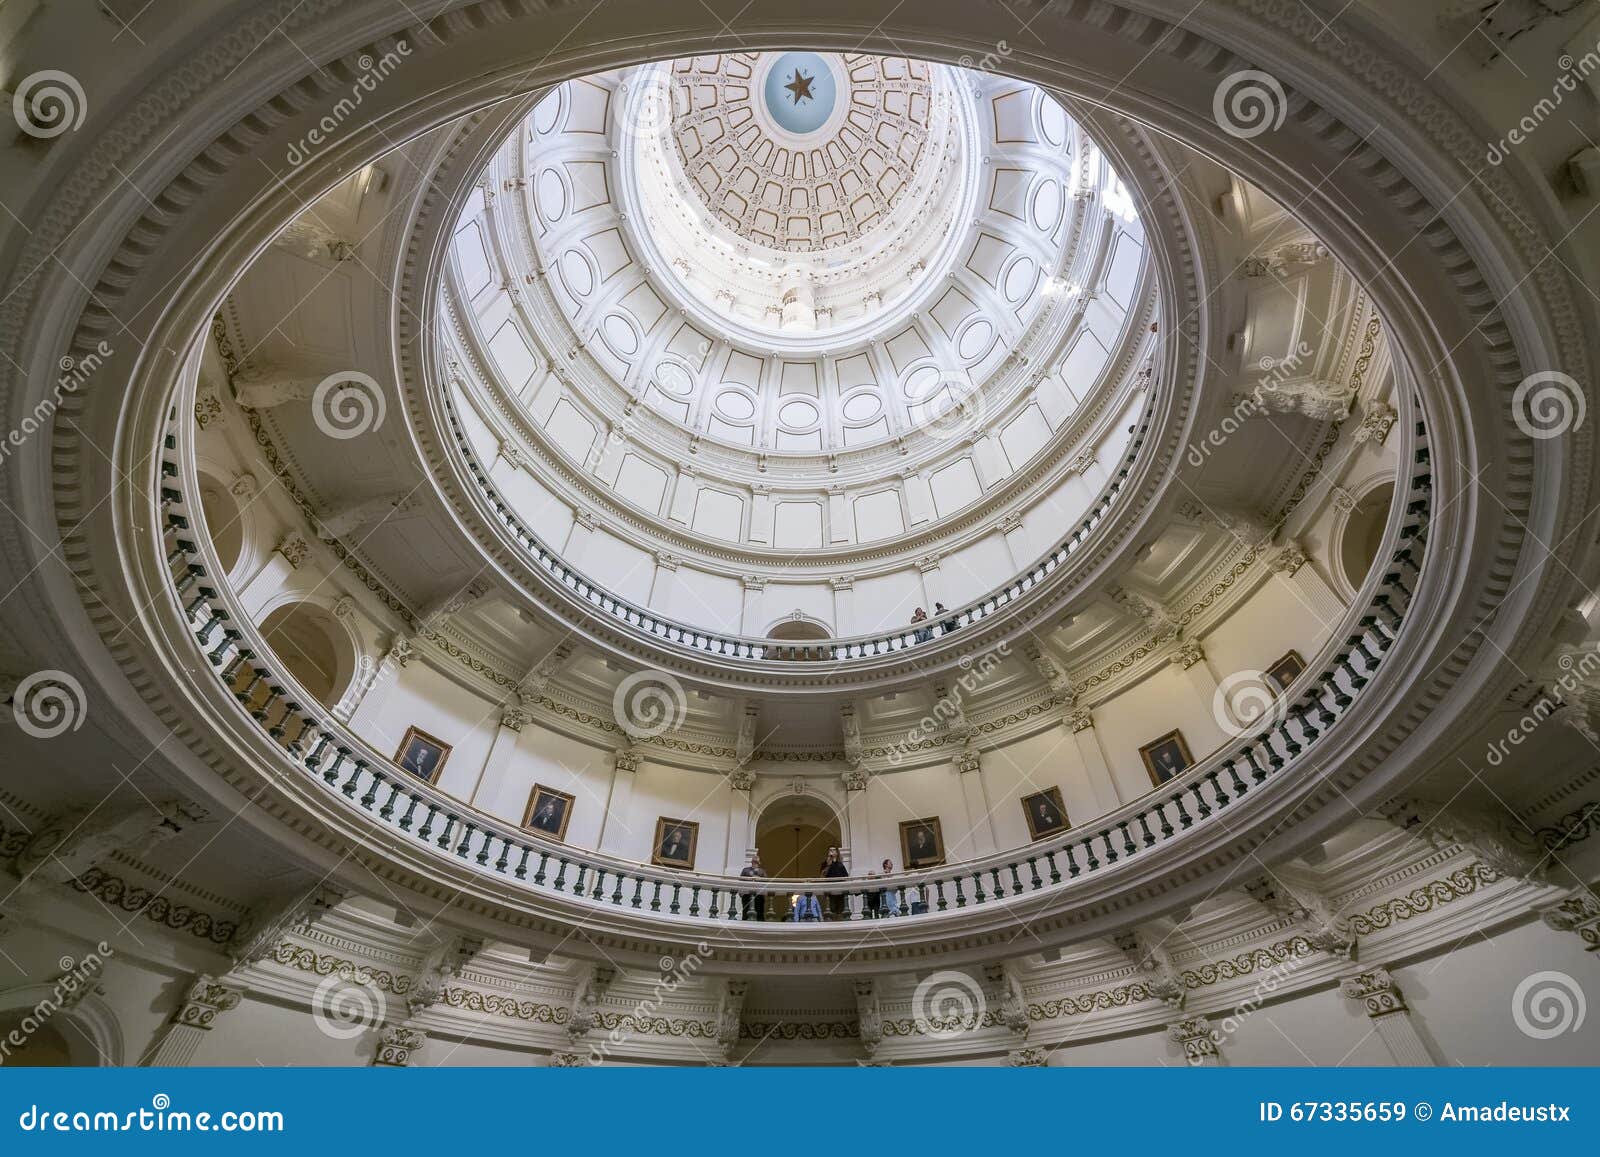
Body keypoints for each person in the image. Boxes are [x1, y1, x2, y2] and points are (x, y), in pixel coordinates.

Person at [739, 852, 767, 921]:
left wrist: (759, 878)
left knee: (759, 912)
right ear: (751, 862)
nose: (755, 863)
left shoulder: (762, 871)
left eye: (756, 862)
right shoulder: (745, 870)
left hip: (759, 895)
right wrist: (740, 892)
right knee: (746, 911)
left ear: (759, 862)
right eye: (754, 861)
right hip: (747, 895)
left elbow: (766, 881)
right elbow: (740, 881)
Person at [823, 847, 849, 919]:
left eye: (834, 850)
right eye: (830, 850)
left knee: (841, 909)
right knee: (831, 909)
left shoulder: (840, 864)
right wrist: (828, 864)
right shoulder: (825, 864)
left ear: (837, 853)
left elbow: (846, 876)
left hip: (840, 890)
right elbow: (823, 875)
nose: (832, 851)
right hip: (830, 891)